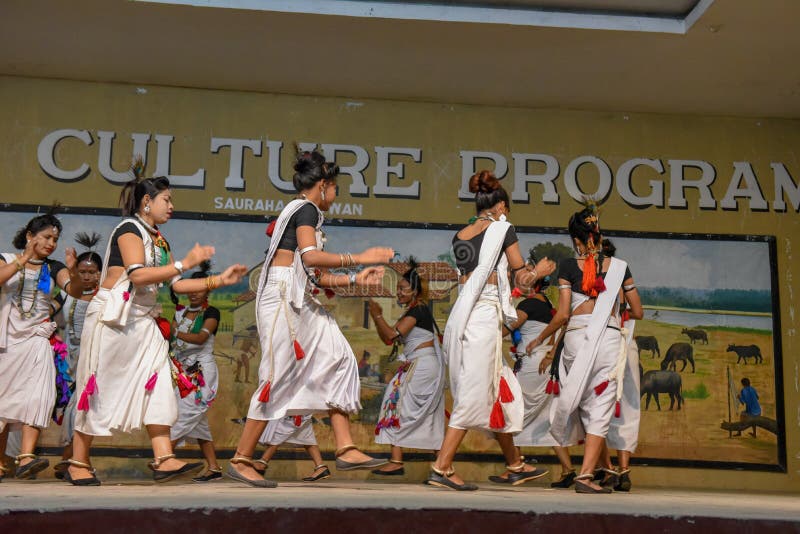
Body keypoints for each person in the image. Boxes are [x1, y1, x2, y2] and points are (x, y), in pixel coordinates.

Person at [67, 159, 247, 486]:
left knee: (160, 381)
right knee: (99, 386)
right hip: (113, 319)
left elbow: (174, 285)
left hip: (143, 321)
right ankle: (79, 461)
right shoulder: (129, 230)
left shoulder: (158, 240)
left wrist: (218, 281)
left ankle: (163, 456)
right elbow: (137, 275)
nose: (172, 206)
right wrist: (185, 262)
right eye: (167, 199)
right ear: (147, 202)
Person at [228, 148, 394, 488]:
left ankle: (345, 447)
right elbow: (311, 255)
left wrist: (355, 279)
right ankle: (242, 459)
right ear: (323, 185)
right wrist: (358, 257)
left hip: (298, 297)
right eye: (335, 189)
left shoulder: (306, 213)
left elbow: (314, 275)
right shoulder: (306, 209)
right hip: (282, 300)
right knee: (276, 377)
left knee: (340, 357)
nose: (335, 196)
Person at [429, 170, 555, 491]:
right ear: (499, 205)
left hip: (464, 313)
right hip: (483, 315)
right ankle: (442, 467)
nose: (507, 215)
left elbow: (470, 277)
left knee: (498, 388)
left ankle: (515, 464)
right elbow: (521, 279)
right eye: (507, 209)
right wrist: (537, 271)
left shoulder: (459, 236)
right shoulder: (503, 229)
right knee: (474, 391)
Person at [526, 204, 642, 494]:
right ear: (598, 235)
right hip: (609, 338)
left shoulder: (567, 266)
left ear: (576, 241)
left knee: (577, 400)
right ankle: (587, 475)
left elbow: (563, 315)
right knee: (600, 407)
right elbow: (637, 311)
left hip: (577, 338)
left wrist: (540, 339)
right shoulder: (620, 267)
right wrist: (615, 306)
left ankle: (582, 468)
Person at [0, 209, 84, 481]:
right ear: (29, 236)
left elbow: (74, 291)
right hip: (7, 342)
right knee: (3, 402)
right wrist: (24, 259)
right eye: (46, 237)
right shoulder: (7, 259)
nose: (51, 243)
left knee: (38, 394)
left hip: (37, 339)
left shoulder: (54, 267)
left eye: (55, 239)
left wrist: (73, 272)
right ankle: (1, 462)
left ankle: (26, 457)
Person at [491, 252, 578, 487]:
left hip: (532, 365)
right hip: (545, 366)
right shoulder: (547, 305)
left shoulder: (528, 305)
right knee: (544, 418)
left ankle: (515, 466)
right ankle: (568, 469)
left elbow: (506, 329)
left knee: (512, 413)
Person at [368, 257, 446, 476]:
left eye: (402, 289)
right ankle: (439, 462)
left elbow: (390, 336)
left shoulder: (418, 311)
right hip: (420, 364)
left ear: (415, 291)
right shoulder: (416, 311)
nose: (398, 293)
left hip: (422, 365)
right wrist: (378, 318)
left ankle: (399, 460)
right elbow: (389, 337)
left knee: (397, 403)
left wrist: (377, 315)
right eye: (398, 289)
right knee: (413, 408)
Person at [54, 232, 103, 480]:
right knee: (71, 408)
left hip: (93, 359)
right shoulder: (68, 293)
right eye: (82, 272)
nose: (87, 276)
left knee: (80, 408)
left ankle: (72, 459)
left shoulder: (104, 297)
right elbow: (52, 313)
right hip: (70, 361)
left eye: (92, 272)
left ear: (100, 274)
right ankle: (75, 460)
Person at [169, 263, 224, 482]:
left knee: (185, 414)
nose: (193, 293)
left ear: (207, 291)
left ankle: (162, 456)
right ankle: (214, 467)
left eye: (199, 289)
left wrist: (174, 332)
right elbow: (171, 339)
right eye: (190, 288)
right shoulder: (179, 311)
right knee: (197, 420)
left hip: (202, 373)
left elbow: (201, 338)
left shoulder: (212, 312)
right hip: (181, 373)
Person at [254, 415, 330, 482]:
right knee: (306, 436)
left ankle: (262, 463)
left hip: (294, 407)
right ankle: (321, 467)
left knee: (280, 431)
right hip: (299, 408)